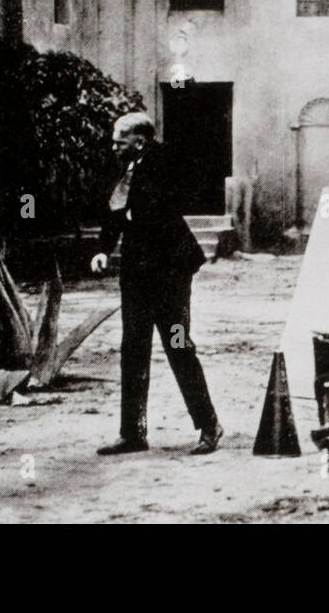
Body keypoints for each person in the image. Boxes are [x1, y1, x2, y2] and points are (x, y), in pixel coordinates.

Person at [90, 112, 222, 456]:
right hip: (136, 273)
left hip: (171, 274)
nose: (113, 144)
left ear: (140, 141)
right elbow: (114, 212)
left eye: (120, 138)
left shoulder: (165, 162)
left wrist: (134, 201)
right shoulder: (123, 168)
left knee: (178, 345)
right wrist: (104, 250)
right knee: (133, 350)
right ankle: (132, 433)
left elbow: (163, 201)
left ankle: (209, 426)